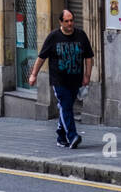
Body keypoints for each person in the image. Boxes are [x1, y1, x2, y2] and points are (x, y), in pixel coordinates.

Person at [29, 10, 94, 149]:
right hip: (59, 80)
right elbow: (42, 57)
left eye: (71, 20)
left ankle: (60, 136)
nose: (70, 23)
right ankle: (73, 136)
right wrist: (34, 74)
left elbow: (88, 56)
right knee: (65, 106)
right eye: (67, 21)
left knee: (66, 108)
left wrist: (87, 76)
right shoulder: (53, 37)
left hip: (75, 80)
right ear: (61, 22)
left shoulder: (81, 35)